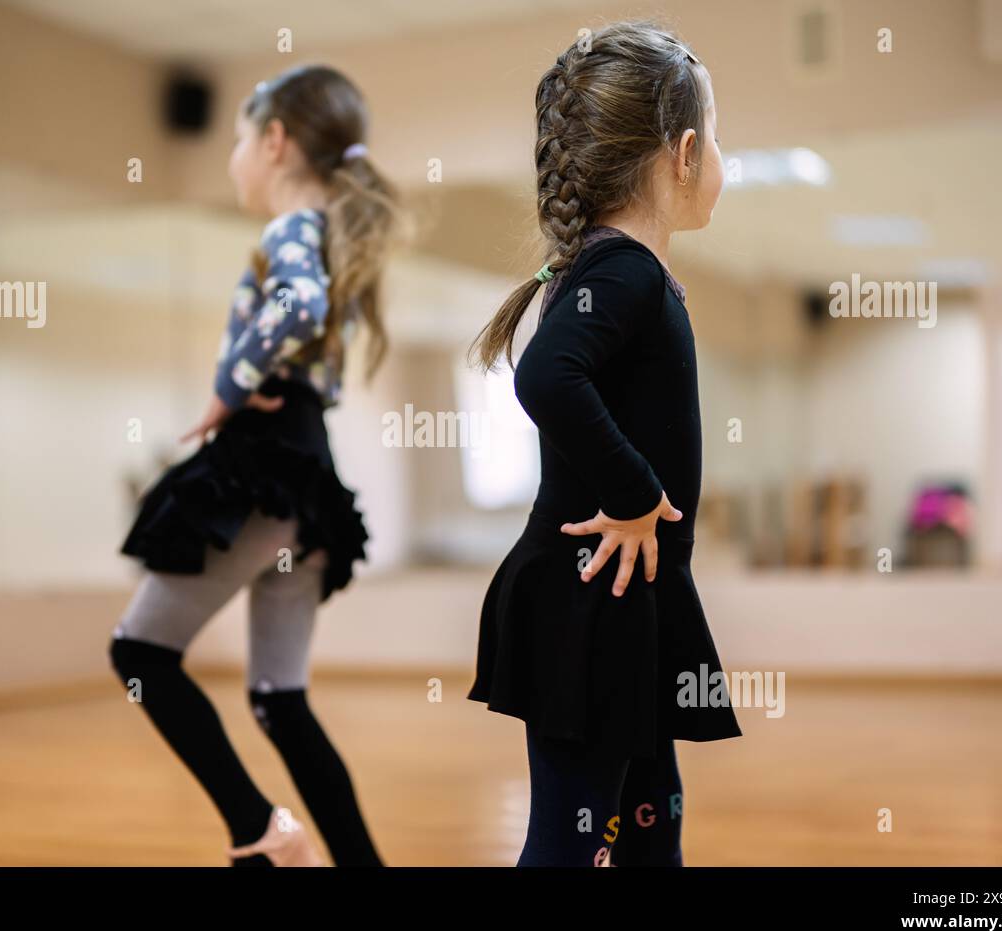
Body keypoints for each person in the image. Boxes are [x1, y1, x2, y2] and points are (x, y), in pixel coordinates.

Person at [110, 63, 402, 867]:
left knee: (139, 654)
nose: (234, 155)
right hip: (307, 474)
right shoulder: (334, 237)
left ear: (274, 143)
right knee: (279, 699)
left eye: (240, 138)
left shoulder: (290, 231)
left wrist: (225, 389)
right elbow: (322, 364)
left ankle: (258, 832)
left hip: (264, 468)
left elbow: (298, 308)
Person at [467, 21, 744, 867]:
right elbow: (547, 380)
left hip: (624, 604)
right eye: (719, 138)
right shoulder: (621, 270)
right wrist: (632, 496)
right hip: (591, 604)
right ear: (685, 153)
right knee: (570, 844)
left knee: (649, 827)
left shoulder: (614, 270)